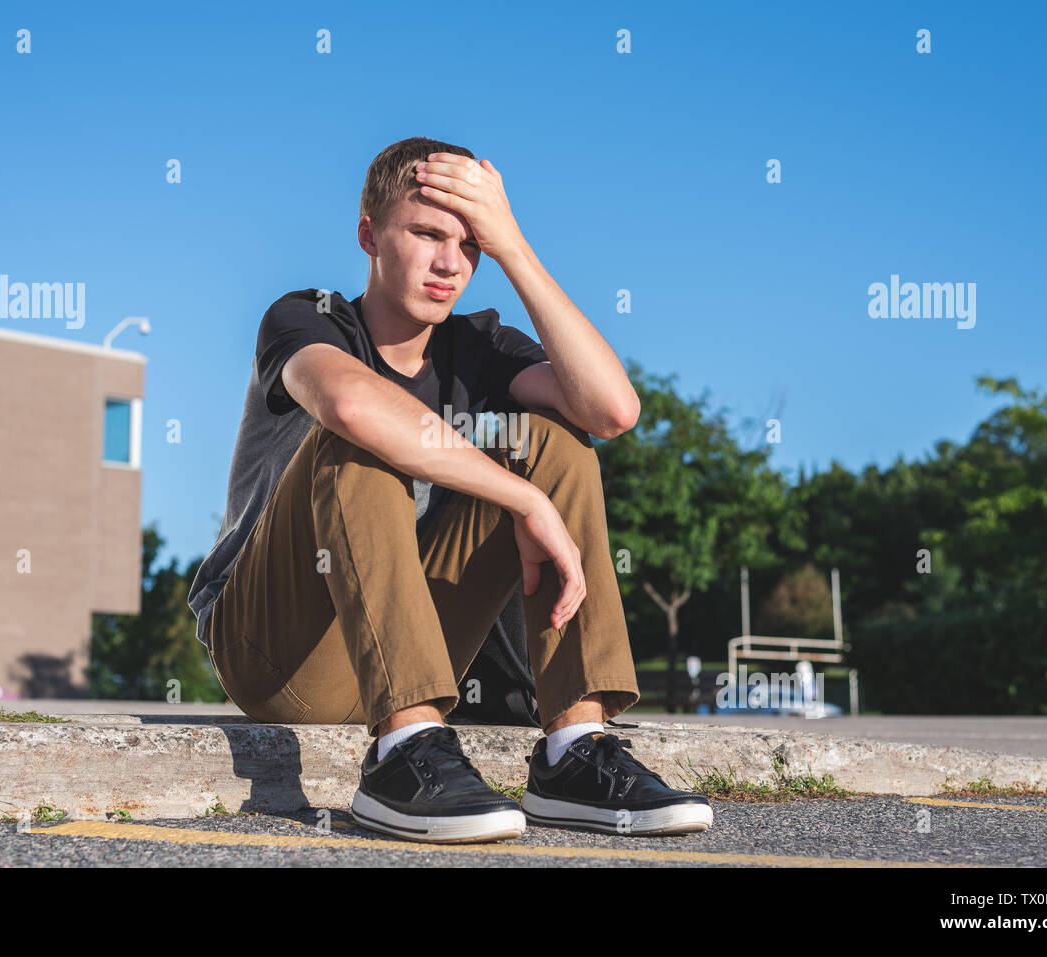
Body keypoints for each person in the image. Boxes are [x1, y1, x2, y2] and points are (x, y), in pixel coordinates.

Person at [186, 136, 712, 843]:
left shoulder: (479, 346)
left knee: (553, 439)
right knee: (361, 438)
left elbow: (612, 409)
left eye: (470, 245)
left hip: (408, 643)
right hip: (277, 650)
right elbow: (350, 406)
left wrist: (516, 248)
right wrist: (524, 500)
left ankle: (574, 747)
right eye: (427, 234)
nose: (449, 263)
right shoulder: (307, 317)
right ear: (370, 235)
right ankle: (403, 754)